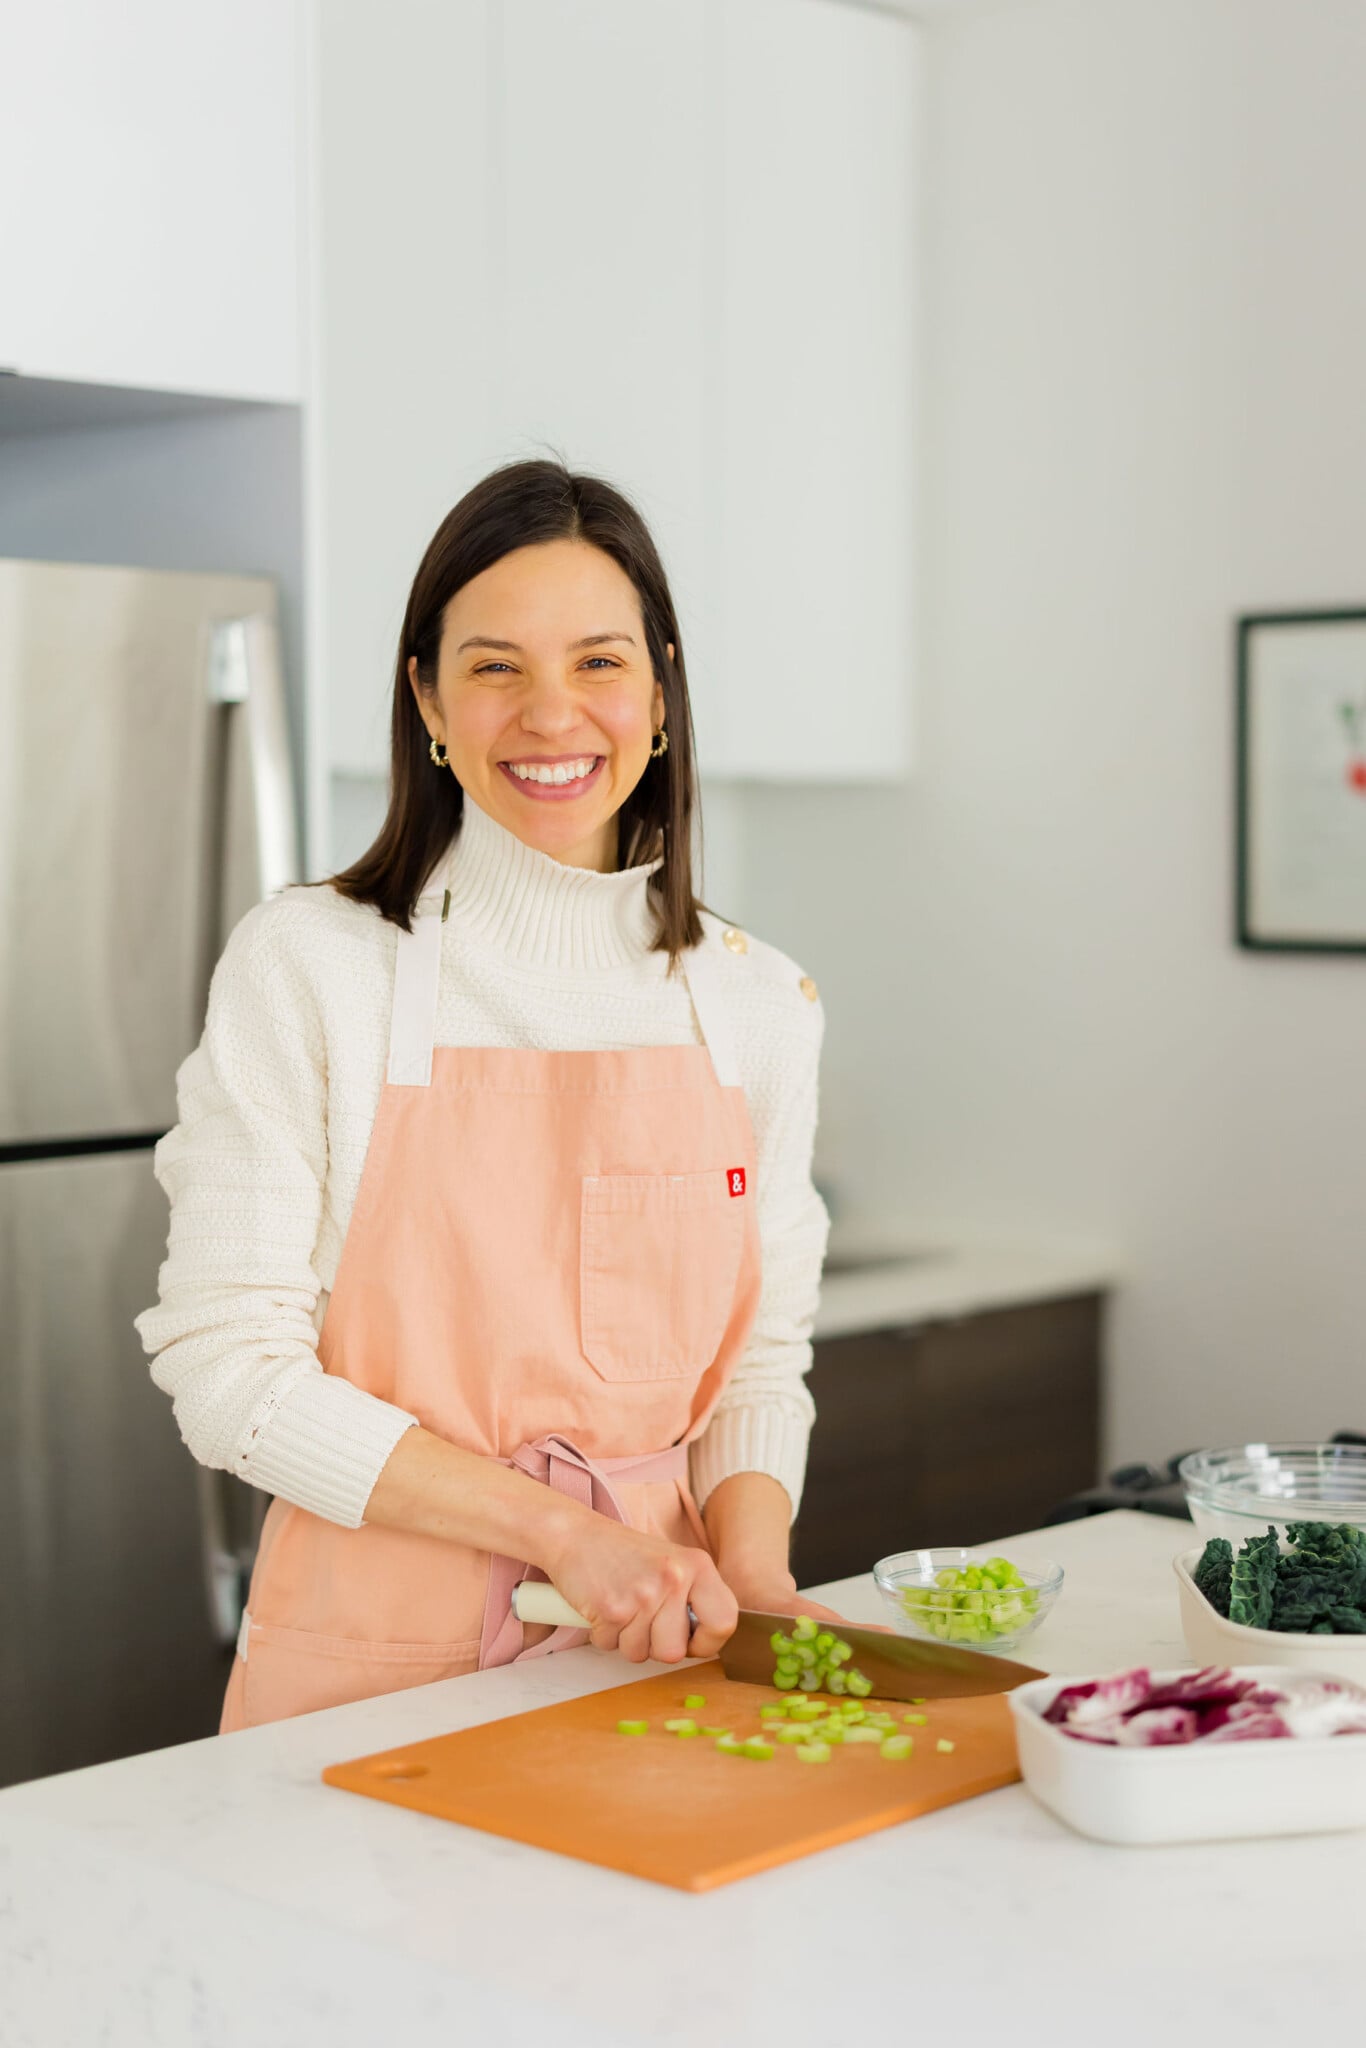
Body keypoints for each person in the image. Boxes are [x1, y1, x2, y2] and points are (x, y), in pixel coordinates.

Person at [135, 458, 837, 1731]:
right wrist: (563, 1534)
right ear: (429, 700)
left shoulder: (758, 1002)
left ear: (662, 691)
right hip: (362, 1685)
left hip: (656, 1659)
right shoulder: (313, 966)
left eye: (601, 662)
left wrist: (754, 1575)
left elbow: (758, 1365)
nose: (551, 712)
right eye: (496, 664)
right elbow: (227, 1367)